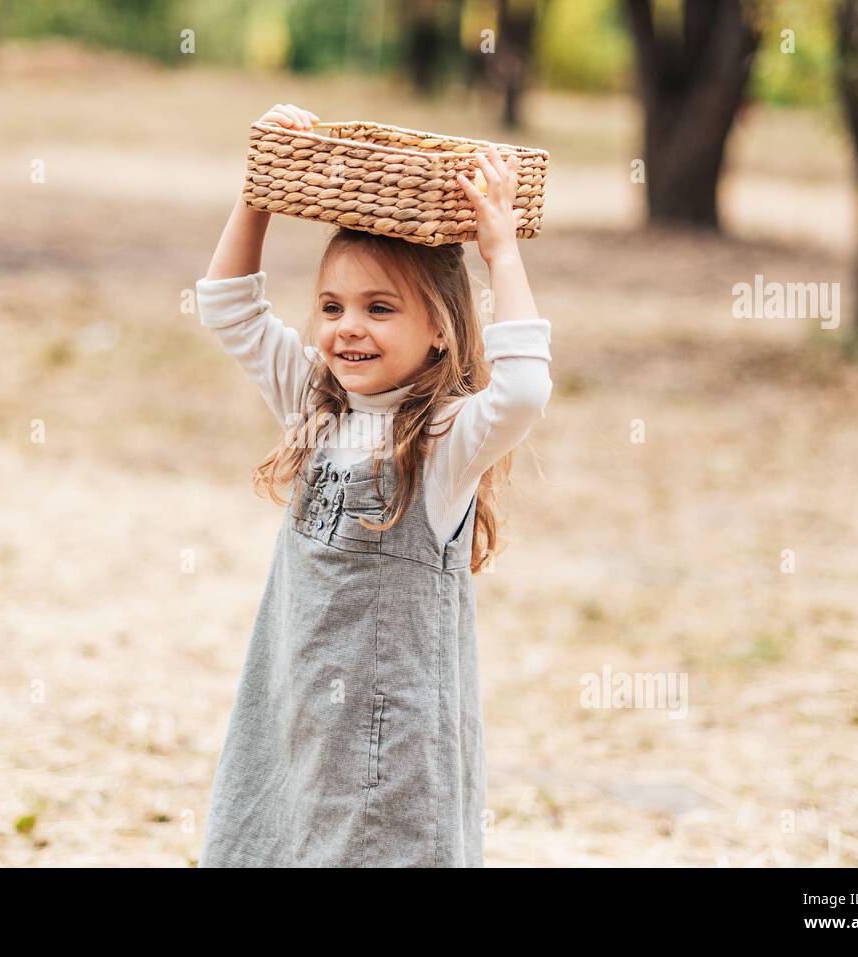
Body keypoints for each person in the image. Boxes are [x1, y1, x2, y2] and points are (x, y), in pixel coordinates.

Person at [194, 103, 553, 866]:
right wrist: (260, 190)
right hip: (295, 710)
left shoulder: (444, 440)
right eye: (332, 306)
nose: (346, 327)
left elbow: (522, 392)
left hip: (388, 740)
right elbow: (226, 306)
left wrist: (502, 257)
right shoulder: (315, 402)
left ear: (441, 330)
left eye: (378, 308)